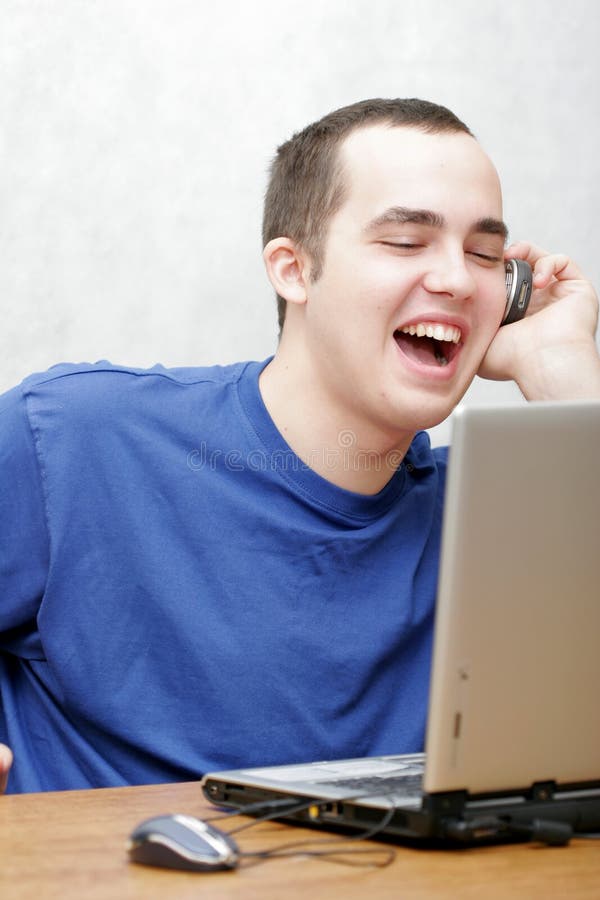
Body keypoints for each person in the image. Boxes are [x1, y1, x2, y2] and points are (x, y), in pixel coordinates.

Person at [1, 99, 599, 794]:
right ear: (293, 269)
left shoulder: (500, 514)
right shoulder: (75, 436)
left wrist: (563, 368)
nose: (459, 280)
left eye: (487, 255)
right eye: (407, 243)